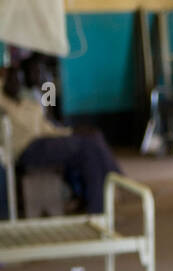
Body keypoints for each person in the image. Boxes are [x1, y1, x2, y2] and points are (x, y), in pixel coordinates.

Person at [0, 65, 121, 214]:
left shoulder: (35, 94)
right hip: (27, 148)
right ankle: (116, 183)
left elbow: (47, 123)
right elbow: (49, 115)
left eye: (18, 77)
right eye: (34, 71)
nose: (36, 75)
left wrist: (70, 132)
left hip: (45, 138)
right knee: (89, 145)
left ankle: (99, 205)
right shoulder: (4, 101)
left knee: (93, 139)